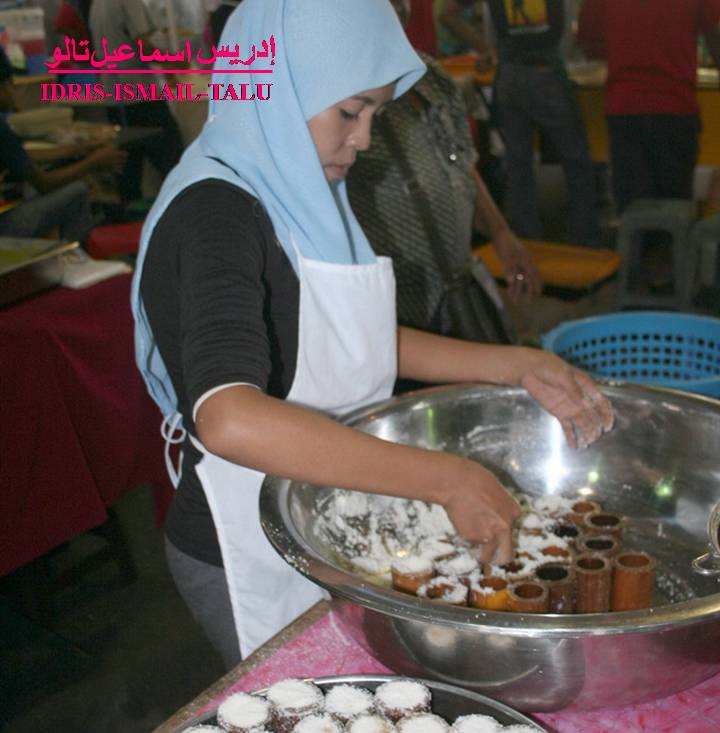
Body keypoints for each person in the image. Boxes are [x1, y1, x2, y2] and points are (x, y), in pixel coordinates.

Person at [132, 0, 613, 670]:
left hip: (320, 515)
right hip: (244, 541)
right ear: (278, 86)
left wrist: (514, 364)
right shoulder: (216, 211)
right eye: (349, 111)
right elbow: (230, 418)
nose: (362, 139)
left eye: (375, 116)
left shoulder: (293, 186)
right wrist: (448, 478)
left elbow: (342, 334)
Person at [347, 0, 540, 359]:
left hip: (454, 289)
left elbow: (461, 161)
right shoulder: (333, 97)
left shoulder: (429, 75)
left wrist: (501, 234)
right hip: (391, 308)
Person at [577, 0, 720, 214]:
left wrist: (627, 47)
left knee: (632, 211)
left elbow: (588, 44)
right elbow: (715, 34)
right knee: (675, 211)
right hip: (675, 106)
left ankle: (635, 246)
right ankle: (669, 246)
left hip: (625, 109)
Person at [484, 0, 600, 247]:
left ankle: (526, 237)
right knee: (576, 161)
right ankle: (584, 238)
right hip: (546, 71)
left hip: (510, 75)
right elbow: (568, 29)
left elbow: (491, 31)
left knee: (517, 162)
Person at [0, 47, 125, 241]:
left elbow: (22, 157)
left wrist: (76, 149)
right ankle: (74, 261)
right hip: (7, 227)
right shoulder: (2, 130)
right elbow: (44, 183)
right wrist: (94, 162)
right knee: (78, 192)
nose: (12, 90)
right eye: (9, 84)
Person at [89, 0, 183, 203]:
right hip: (138, 97)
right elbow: (144, 48)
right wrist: (177, 60)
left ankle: (128, 223)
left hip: (114, 96)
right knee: (176, 164)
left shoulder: (97, 4)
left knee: (128, 173)